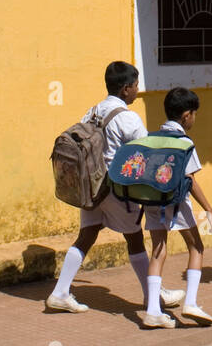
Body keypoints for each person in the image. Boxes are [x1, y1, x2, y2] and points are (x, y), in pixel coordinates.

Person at [46, 62, 184, 314]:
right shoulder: (127, 118)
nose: (137, 90)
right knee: (134, 239)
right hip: (115, 189)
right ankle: (152, 296)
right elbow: (146, 152)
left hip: (91, 188)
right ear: (124, 89)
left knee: (86, 236)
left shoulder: (93, 111)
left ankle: (60, 292)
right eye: (135, 86)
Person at [140, 87, 212, 328]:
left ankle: (153, 310)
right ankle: (191, 303)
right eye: (194, 114)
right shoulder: (184, 142)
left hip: (153, 201)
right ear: (186, 116)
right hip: (177, 203)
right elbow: (191, 181)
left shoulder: (151, 137)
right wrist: (209, 209)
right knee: (196, 247)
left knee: (158, 250)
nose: (195, 119)